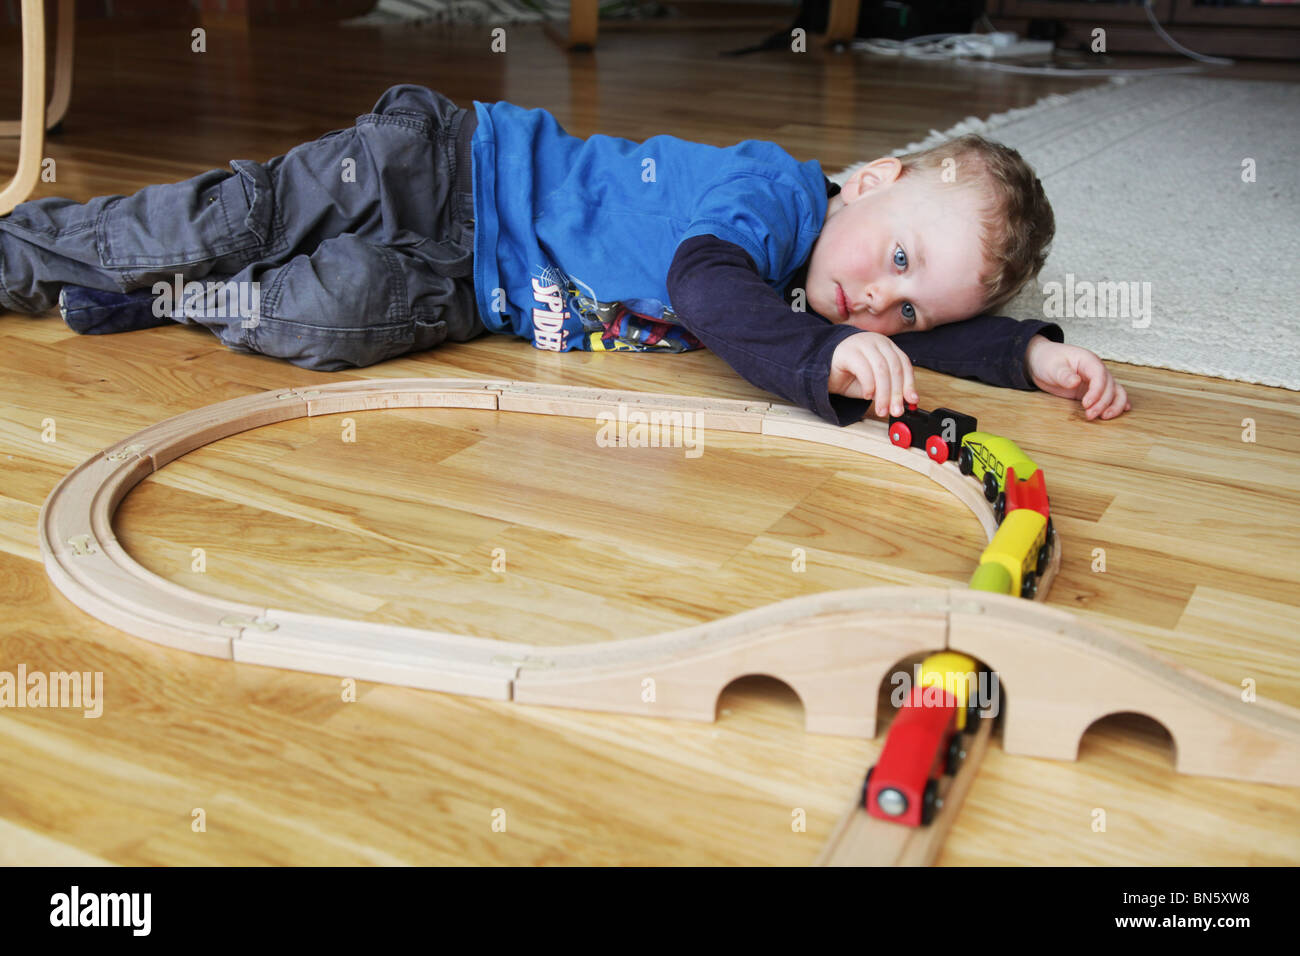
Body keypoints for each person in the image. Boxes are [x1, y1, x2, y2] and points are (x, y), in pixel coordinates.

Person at [0, 84, 1130, 425]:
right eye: (892, 256)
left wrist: (1022, 354)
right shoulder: (769, 195)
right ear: (874, 178)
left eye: (905, 309)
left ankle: (136, 301)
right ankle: (29, 253)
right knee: (229, 220)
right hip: (443, 167)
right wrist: (825, 355)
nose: (876, 299)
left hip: (459, 289)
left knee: (321, 322)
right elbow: (704, 289)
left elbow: (922, 313)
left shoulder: (824, 286)